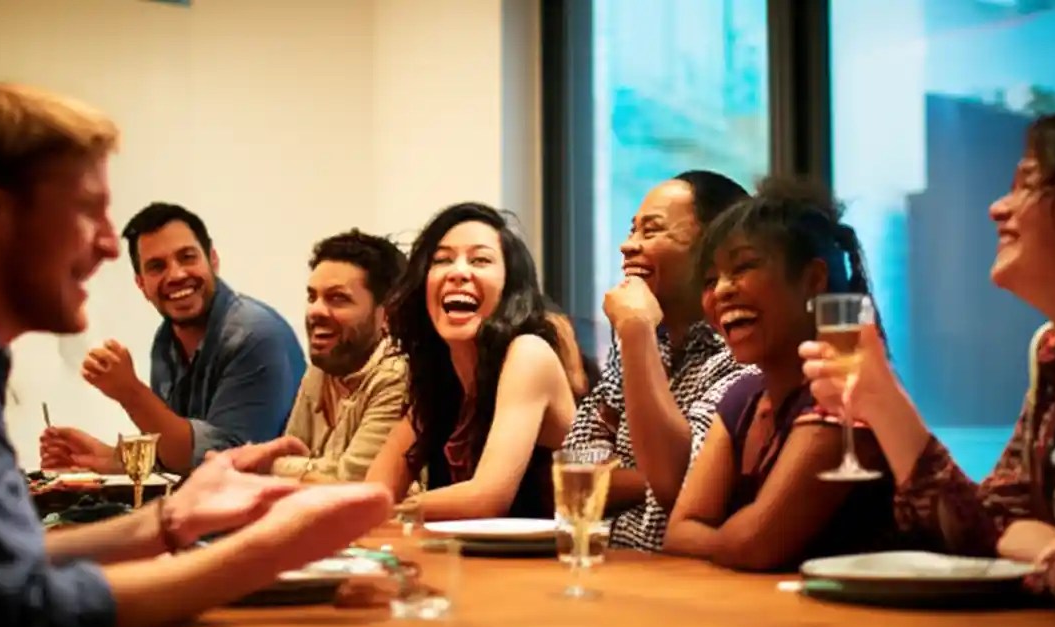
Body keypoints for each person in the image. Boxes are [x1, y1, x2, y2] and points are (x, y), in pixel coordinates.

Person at [0, 82, 392, 627]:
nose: (102, 242)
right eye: (87, 211)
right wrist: (263, 554)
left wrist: (165, 523)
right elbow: (7, 620)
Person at [801, 100, 1055, 624]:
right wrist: (883, 405)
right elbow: (985, 525)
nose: (998, 207)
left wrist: (1042, 548)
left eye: (1028, 185)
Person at [664, 177, 900, 571]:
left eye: (744, 267)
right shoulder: (743, 396)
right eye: (709, 280)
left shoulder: (847, 392)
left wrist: (730, 538)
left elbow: (754, 545)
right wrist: (733, 540)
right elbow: (679, 530)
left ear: (813, 279)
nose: (722, 290)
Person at [563, 170, 754, 552]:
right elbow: (572, 475)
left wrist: (635, 331)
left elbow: (678, 486)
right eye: (632, 230)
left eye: (650, 231)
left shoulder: (743, 350)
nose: (627, 246)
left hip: (686, 585)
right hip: (616, 569)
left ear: (712, 246)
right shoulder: (648, 338)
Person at [40, 202, 306, 473]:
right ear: (141, 284)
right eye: (157, 266)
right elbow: (175, 455)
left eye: (187, 257)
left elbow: (220, 465)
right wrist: (105, 460)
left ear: (213, 259)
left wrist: (130, 392)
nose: (176, 275)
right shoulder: (165, 342)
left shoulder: (255, 335)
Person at [366, 202, 575, 519]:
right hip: (476, 563)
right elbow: (376, 491)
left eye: (480, 260)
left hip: (552, 563)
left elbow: (487, 499)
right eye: (442, 260)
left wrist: (397, 511)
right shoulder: (440, 377)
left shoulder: (528, 353)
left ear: (510, 288)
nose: (458, 272)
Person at [273, 229, 409, 483]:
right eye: (312, 296)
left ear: (387, 314)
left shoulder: (396, 376)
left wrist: (273, 467)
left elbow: (356, 482)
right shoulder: (324, 365)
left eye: (337, 298)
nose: (315, 311)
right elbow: (285, 455)